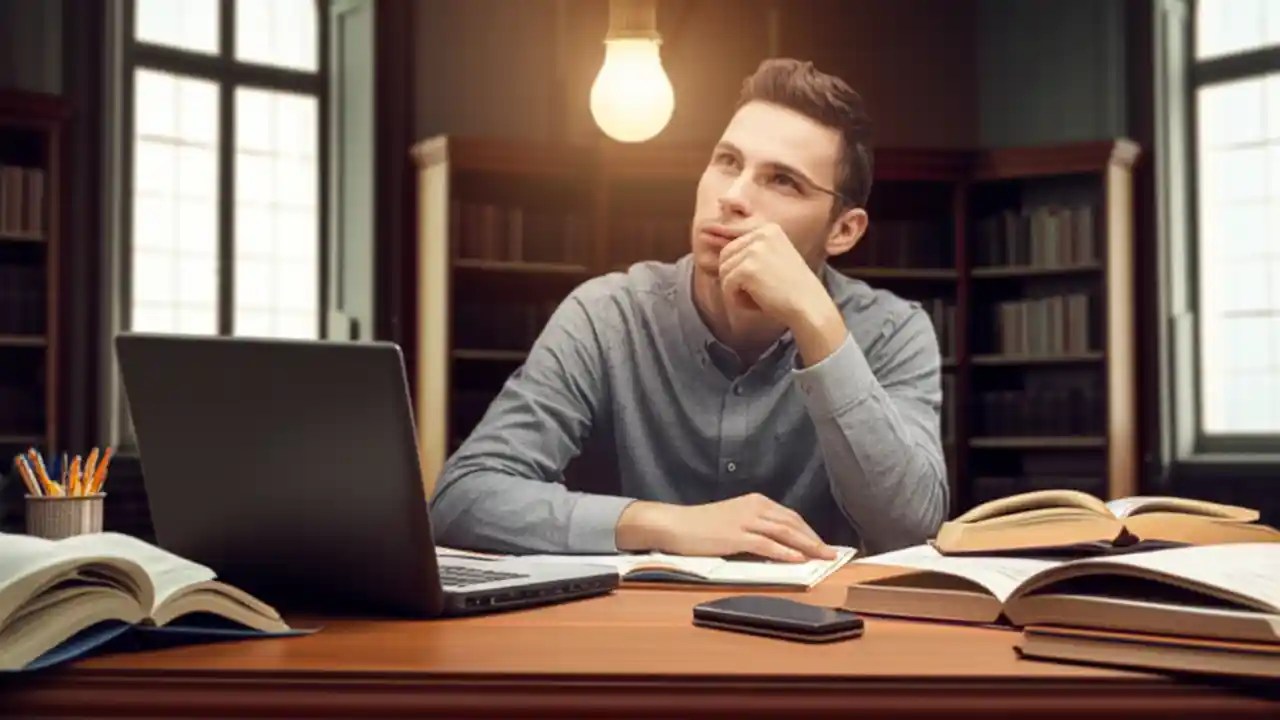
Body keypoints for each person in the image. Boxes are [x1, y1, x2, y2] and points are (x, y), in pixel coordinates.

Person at [430, 58, 947, 561]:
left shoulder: (893, 332)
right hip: (625, 637)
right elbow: (463, 499)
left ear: (844, 230)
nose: (734, 196)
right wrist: (666, 524)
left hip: (815, 639)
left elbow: (909, 527)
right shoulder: (607, 314)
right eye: (727, 162)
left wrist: (817, 322)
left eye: (782, 180)